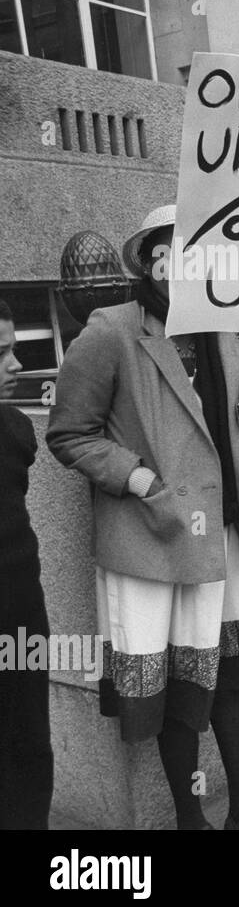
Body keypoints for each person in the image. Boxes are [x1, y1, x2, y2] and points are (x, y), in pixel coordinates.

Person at [46, 206, 239, 829]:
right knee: (176, 692)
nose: (182, 264)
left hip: (221, 534)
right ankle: (190, 819)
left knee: (227, 676)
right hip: (153, 538)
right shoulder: (110, 330)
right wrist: (140, 479)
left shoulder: (228, 329)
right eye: (169, 253)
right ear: (149, 262)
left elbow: (228, 434)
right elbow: (69, 433)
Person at [0, 299, 53, 829]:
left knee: (29, 746)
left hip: (20, 621)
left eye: (14, 348)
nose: (16, 365)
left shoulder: (16, 429)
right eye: (1, 353)